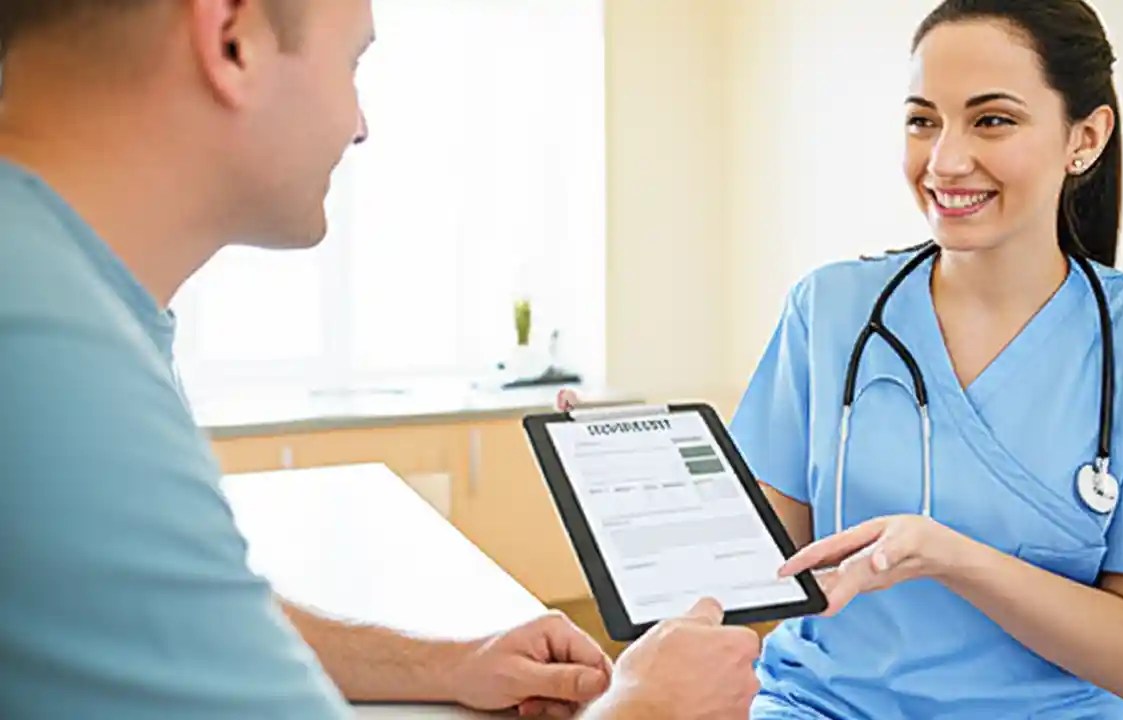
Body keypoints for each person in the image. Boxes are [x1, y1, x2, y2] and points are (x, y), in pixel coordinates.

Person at [0, 1, 762, 718]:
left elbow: (184, 617)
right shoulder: (49, 360)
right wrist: (648, 706)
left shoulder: (60, 292)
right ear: (234, 40)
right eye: (351, 63)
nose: (359, 126)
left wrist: (446, 664)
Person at [726, 0, 1123, 718]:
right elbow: (754, 572)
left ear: (1086, 138)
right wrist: (626, 481)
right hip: (816, 706)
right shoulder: (828, 310)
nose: (945, 161)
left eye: (993, 120)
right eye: (923, 121)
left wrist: (950, 556)